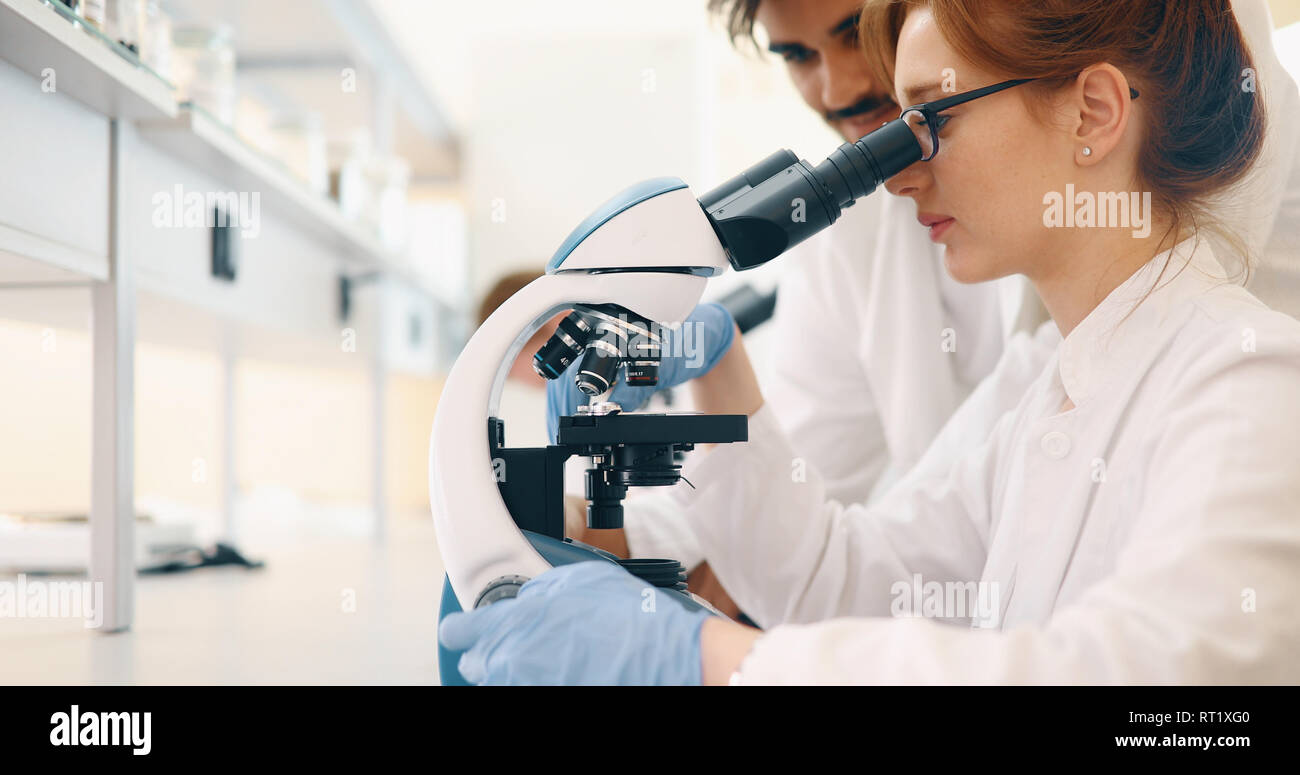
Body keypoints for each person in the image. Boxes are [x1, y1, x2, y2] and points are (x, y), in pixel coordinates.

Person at [442, 0, 1300, 684]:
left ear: (1095, 110)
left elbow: (1173, 693)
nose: (895, 172)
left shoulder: (1250, 377)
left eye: (933, 117)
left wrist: (705, 662)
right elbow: (845, 579)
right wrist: (720, 365)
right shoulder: (1045, 386)